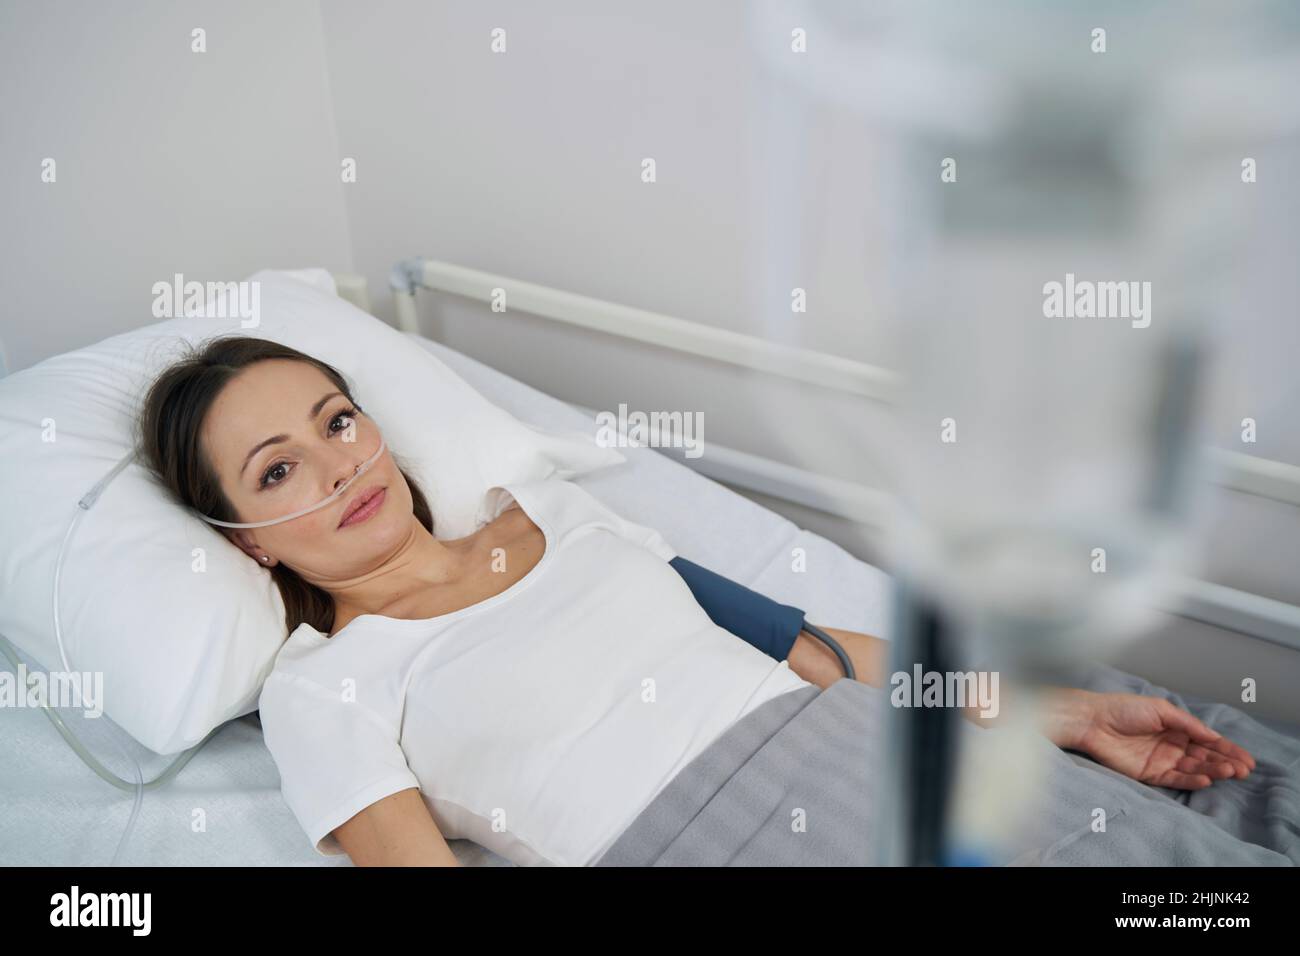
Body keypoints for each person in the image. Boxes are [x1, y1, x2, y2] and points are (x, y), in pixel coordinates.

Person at [138, 336, 1257, 866]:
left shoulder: (551, 518)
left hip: (864, 748)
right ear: (247, 542)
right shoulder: (325, 688)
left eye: (336, 419)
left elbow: (808, 650)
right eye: (276, 469)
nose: (337, 465)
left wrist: (1051, 712)